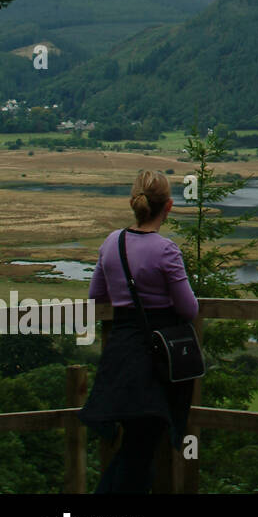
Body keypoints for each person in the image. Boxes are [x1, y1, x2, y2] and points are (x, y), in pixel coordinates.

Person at [78, 170, 199, 493]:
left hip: (120, 354)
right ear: (168, 207)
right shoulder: (166, 250)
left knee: (135, 451)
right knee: (138, 455)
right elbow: (189, 309)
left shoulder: (111, 242)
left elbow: (95, 296)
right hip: (155, 363)